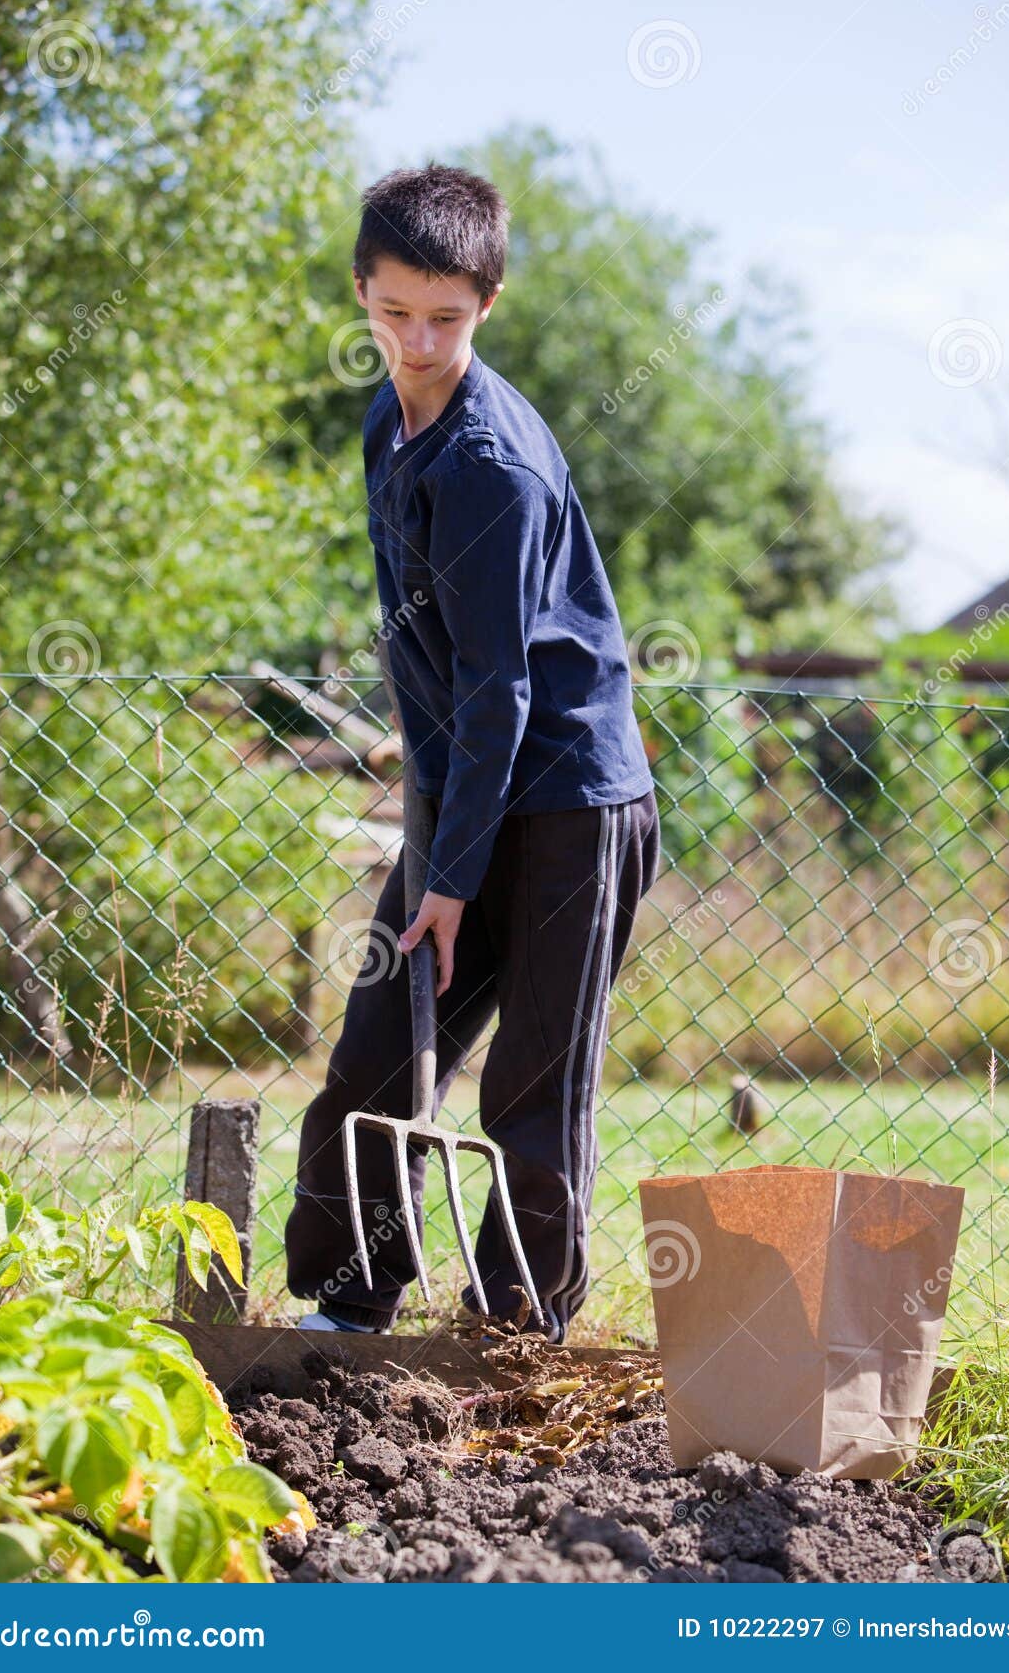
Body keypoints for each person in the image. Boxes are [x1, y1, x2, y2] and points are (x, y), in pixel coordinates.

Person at [284, 162, 660, 1344]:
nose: (418, 339)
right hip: (466, 789)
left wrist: (448, 882)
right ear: (361, 291)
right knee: (377, 1050)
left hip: (566, 806)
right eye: (393, 312)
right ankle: (348, 1306)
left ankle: (514, 1331)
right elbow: (424, 667)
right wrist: (429, 842)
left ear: (487, 303)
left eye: (445, 317)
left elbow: (498, 688)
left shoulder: (488, 461)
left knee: (531, 1088)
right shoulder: (386, 423)